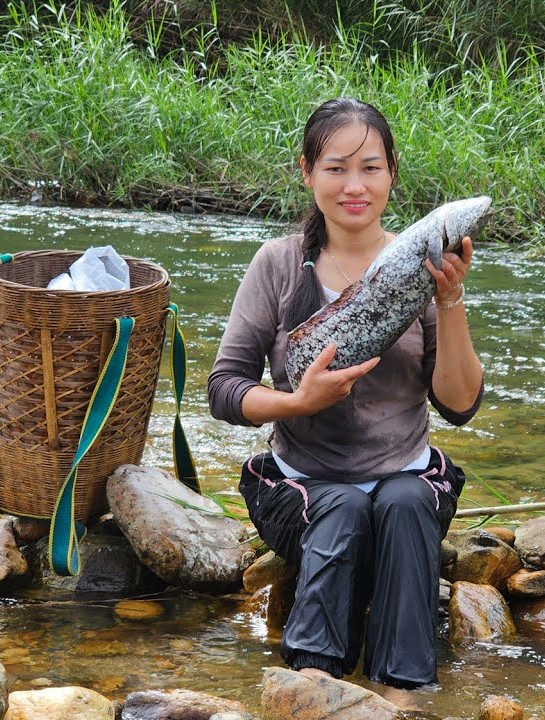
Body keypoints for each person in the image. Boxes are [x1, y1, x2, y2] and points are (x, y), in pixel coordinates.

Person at [206, 97, 484, 692]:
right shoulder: (279, 265)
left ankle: (403, 694)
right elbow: (226, 390)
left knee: (403, 502)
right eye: (336, 168)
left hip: (406, 482)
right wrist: (297, 404)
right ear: (307, 173)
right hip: (302, 485)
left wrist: (449, 302)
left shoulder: (421, 266)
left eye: (371, 168)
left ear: (392, 175)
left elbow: (459, 406)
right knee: (346, 506)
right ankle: (309, 688)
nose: (354, 186)